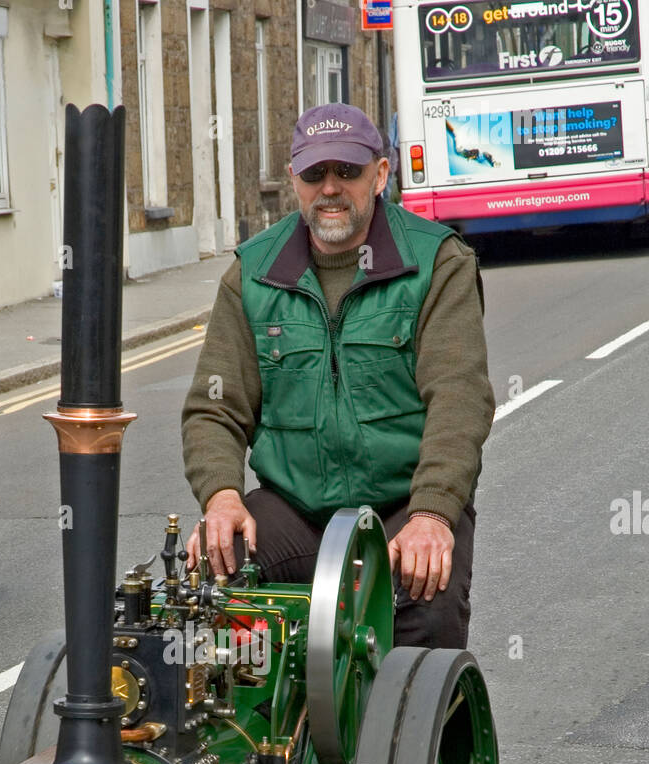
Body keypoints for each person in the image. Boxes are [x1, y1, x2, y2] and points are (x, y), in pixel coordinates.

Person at [182, 103, 496, 649]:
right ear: (294, 180)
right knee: (215, 580)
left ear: (380, 174)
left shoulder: (437, 263)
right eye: (315, 174)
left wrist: (433, 511)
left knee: (427, 600)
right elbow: (215, 406)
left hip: (403, 503)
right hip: (296, 510)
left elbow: (459, 398)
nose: (330, 188)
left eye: (347, 171)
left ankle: (411, 706)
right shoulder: (252, 274)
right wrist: (222, 497)